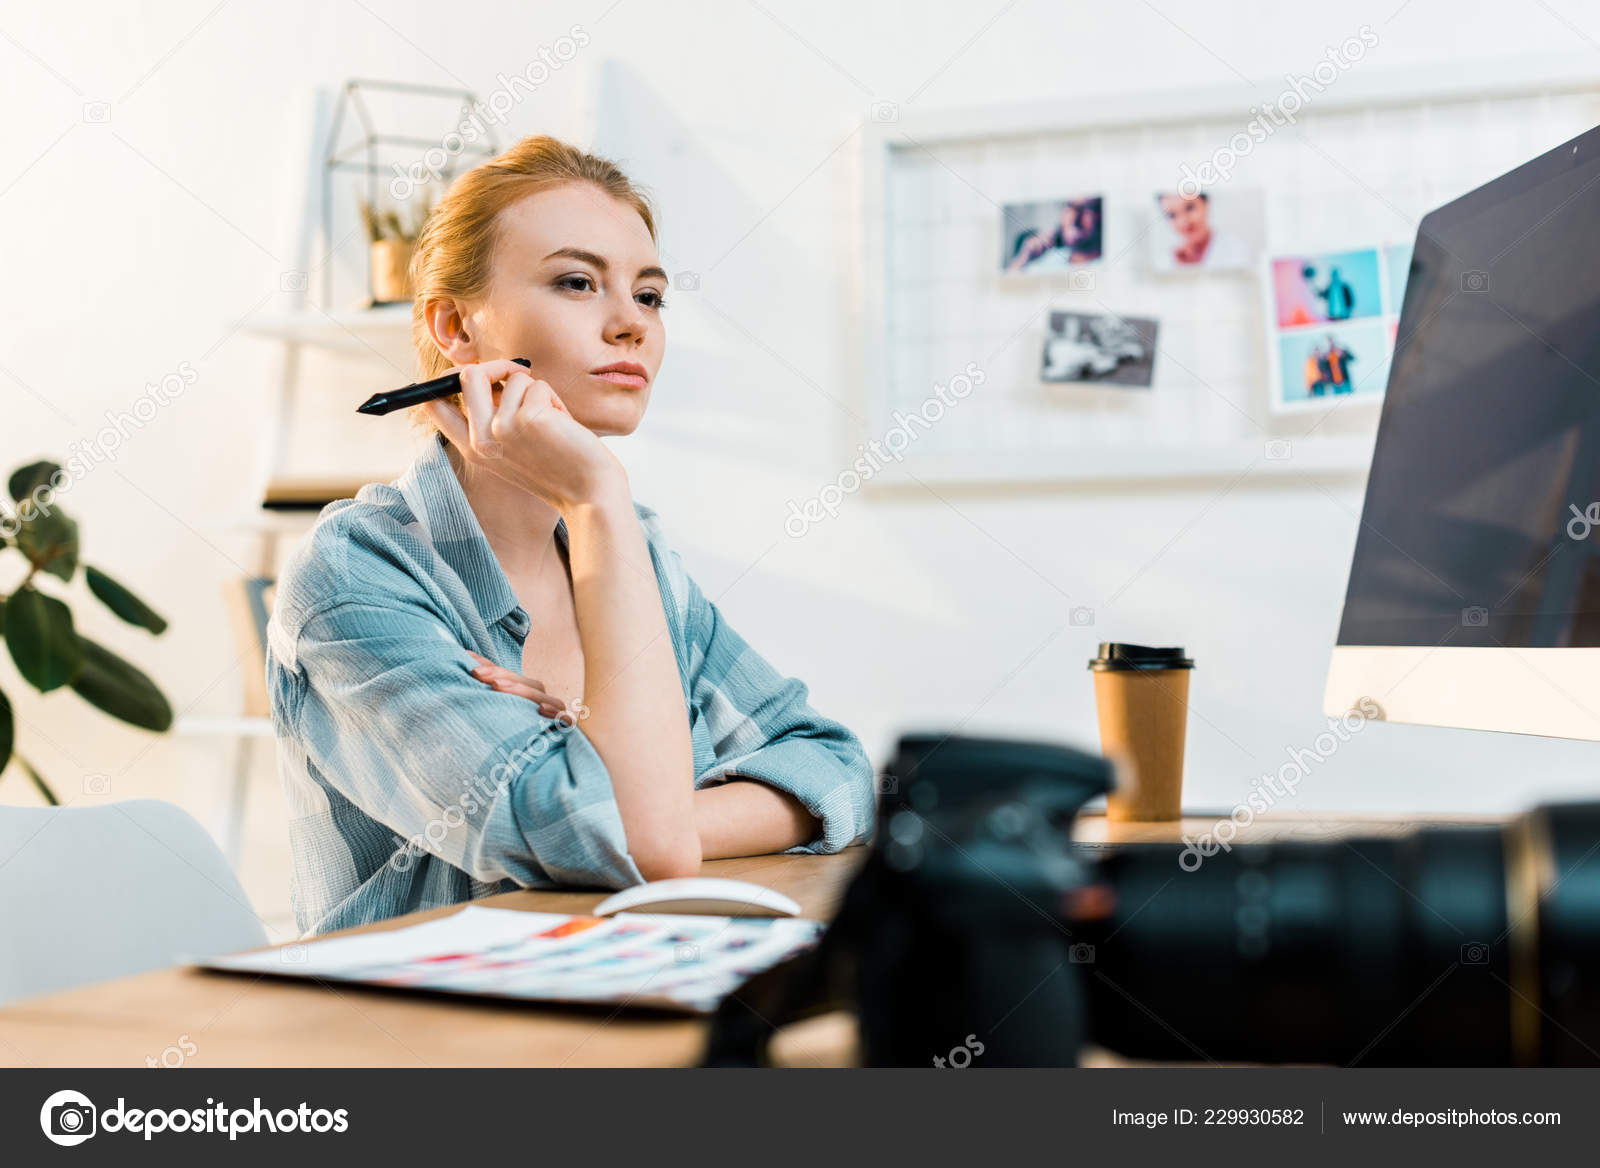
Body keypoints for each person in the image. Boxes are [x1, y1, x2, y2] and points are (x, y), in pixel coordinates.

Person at [265, 136, 878, 935]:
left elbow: (837, 771)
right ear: (454, 327)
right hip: (412, 1037)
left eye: (651, 296)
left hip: (609, 982)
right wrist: (595, 497)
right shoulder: (357, 578)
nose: (631, 324)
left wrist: (655, 816)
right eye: (577, 282)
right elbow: (604, 840)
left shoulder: (636, 554)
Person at [1154, 192, 1251, 269]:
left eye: (1189, 208)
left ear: (1206, 203)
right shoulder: (1166, 262)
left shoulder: (1234, 249)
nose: (1184, 222)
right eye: (1172, 215)